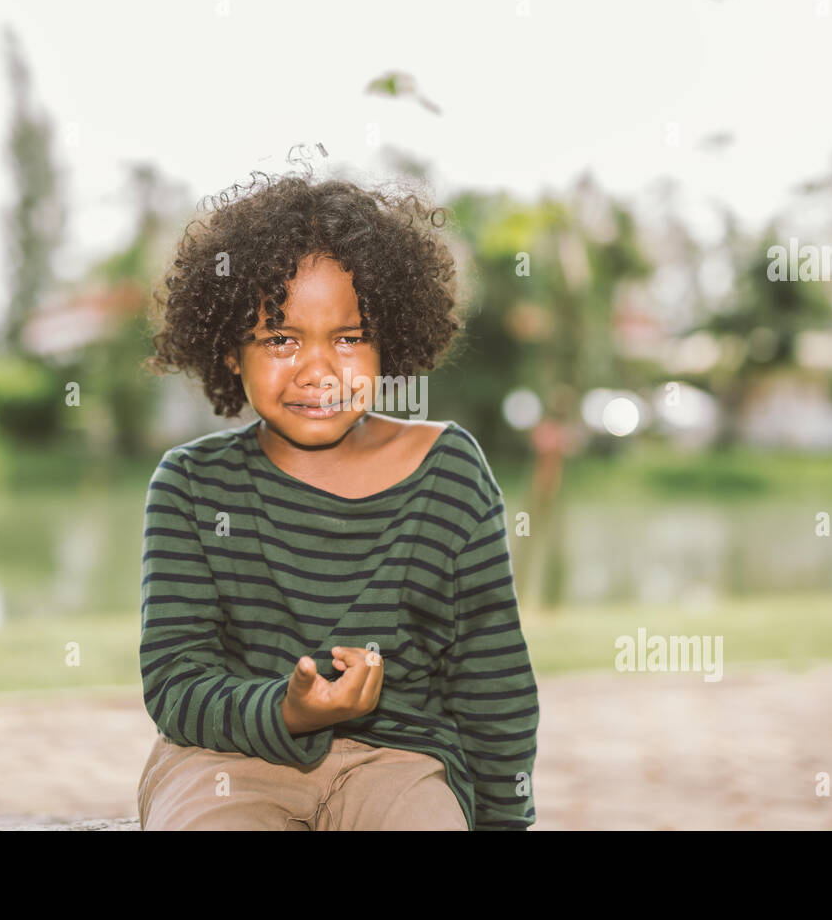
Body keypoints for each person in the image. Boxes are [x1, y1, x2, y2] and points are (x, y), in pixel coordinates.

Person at [136, 170, 539, 830]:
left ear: (389, 341)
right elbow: (178, 684)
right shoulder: (190, 485)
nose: (318, 370)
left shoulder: (450, 474)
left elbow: (493, 684)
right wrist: (289, 712)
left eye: (349, 337)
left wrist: (504, 821)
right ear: (231, 352)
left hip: (400, 762)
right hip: (224, 761)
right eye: (280, 337)